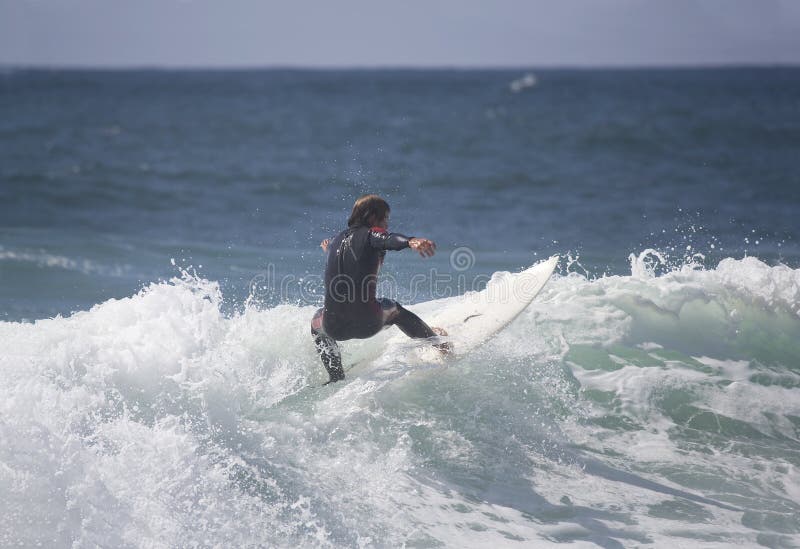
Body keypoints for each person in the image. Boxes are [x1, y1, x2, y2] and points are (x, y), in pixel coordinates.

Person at [311, 194, 447, 383]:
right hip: (367, 323)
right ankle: (438, 344)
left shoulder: (335, 240)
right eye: (385, 219)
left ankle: (335, 376)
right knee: (394, 309)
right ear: (373, 217)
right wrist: (410, 241)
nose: (387, 225)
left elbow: (345, 251)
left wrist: (328, 249)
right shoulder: (370, 234)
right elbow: (388, 239)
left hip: (333, 328)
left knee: (316, 323)